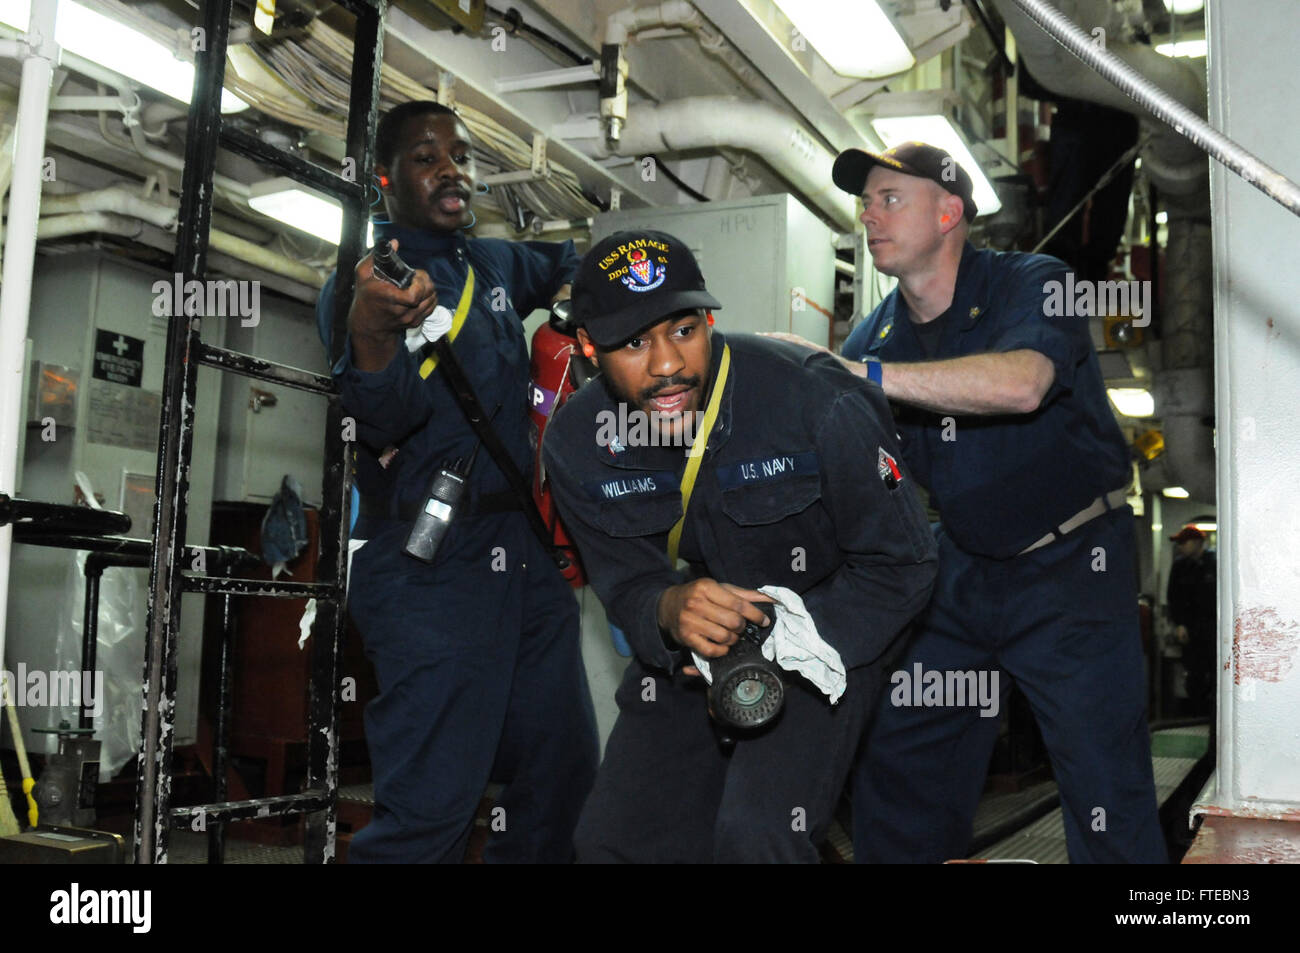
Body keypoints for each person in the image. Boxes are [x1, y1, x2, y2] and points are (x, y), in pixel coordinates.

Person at [774, 142, 1167, 863]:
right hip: (960, 569)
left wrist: (858, 375)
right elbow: (844, 473)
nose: (870, 215)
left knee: (1103, 785)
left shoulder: (1034, 282)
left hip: (1072, 563)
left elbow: (1022, 384)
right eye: (866, 203)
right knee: (898, 763)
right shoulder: (877, 335)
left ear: (949, 211)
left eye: (890, 198)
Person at [541, 228, 937, 863]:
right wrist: (670, 611)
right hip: (694, 653)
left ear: (707, 319)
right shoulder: (578, 442)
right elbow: (628, 586)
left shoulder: (815, 399)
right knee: (613, 845)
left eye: (683, 330)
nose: (668, 363)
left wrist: (792, 638)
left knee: (757, 840)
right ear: (588, 346)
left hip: (826, 640)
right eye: (634, 343)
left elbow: (905, 564)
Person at [315, 100, 598, 863]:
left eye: (461, 156)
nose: (452, 170)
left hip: (527, 558)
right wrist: (375, 334)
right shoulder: (365, 285)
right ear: (384, 180)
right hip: (428, 558)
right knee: (434, 803)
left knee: (563, 774)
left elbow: (575, 259)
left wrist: (573, 305)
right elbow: (383, 421)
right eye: (426, 157)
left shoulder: (498, 263)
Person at [1167, 525, 1216, 717]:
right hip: (1190, 632)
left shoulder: (1215, 564)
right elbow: (1173, 598)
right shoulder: (1180, 567)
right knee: (1194, 677)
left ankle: (1211, 719)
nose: (1180, 547)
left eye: (1183, 542)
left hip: (1212, 631)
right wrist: (1179, 624)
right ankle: (1196, 717)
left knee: (1214, 676)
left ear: (1197, 543)